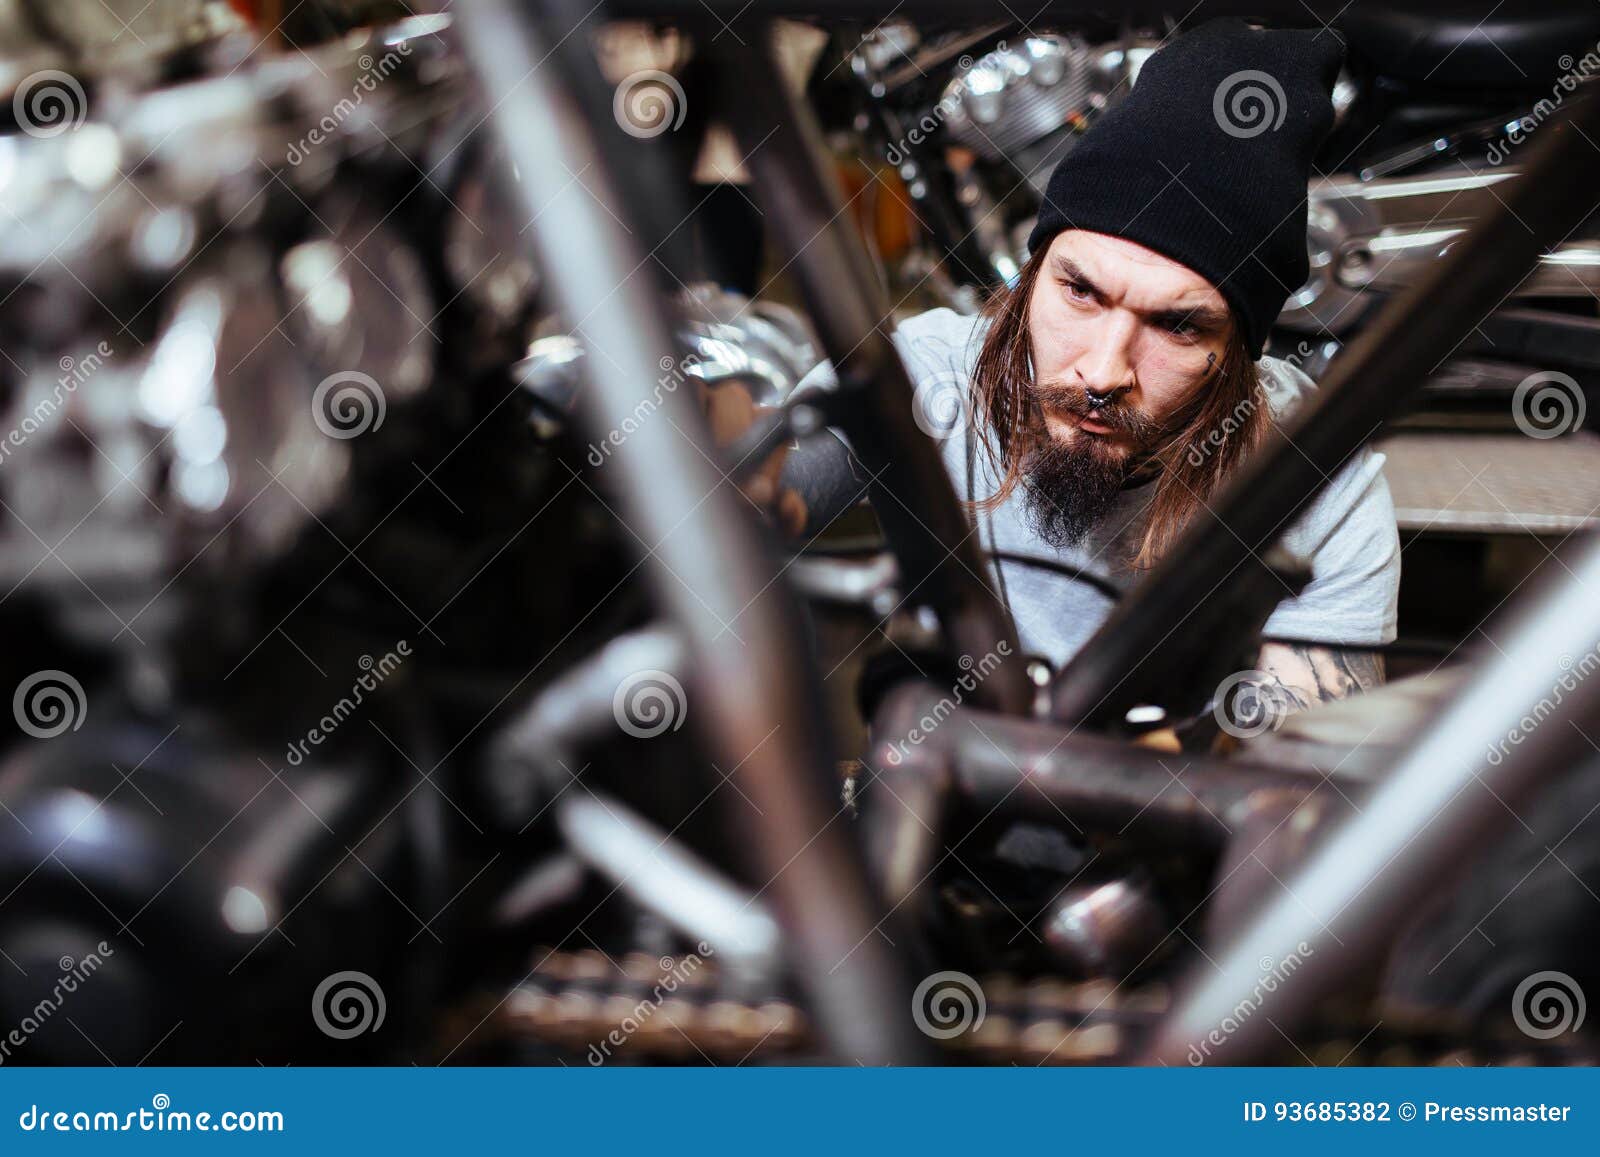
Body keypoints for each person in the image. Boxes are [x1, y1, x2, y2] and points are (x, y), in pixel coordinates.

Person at [763, 17, 1401, 716]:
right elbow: (730, 508)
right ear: (1032, 274)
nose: (1102, 372)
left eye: (1177, 324)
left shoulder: (1314, 474)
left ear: (1238, 353)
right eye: (1080, 291)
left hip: (1159, 813)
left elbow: (1293, 782)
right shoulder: (927, 381)